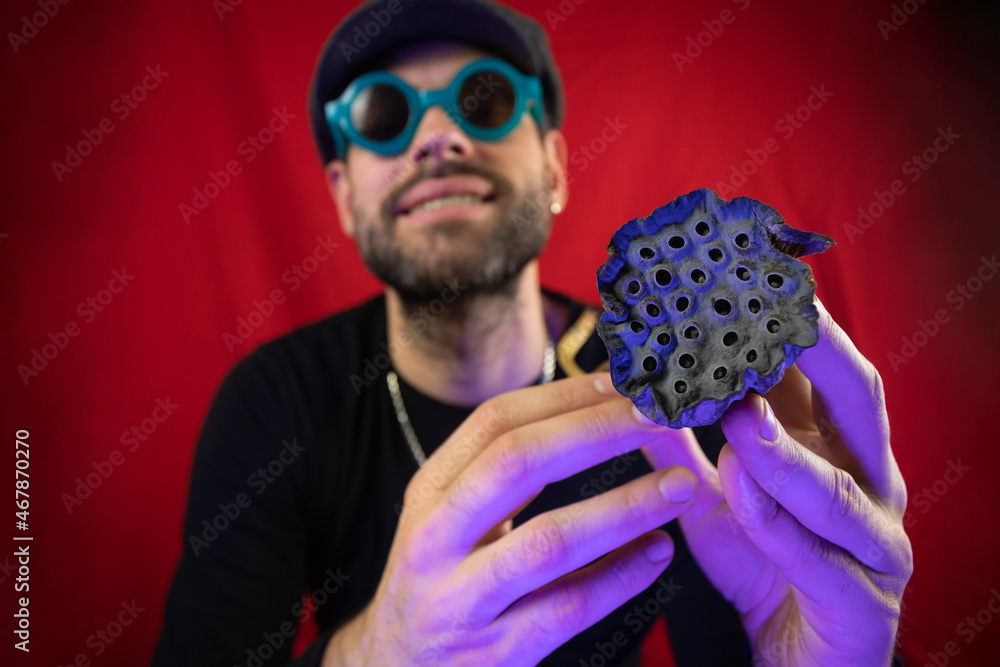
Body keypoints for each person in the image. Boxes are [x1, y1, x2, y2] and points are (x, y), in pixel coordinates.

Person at [153, 1, 913, 665]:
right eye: (384, 114)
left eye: (483, 100)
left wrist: (817, 652)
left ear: (553, 168)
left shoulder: (679, 379)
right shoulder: (274, 402)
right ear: (344, 198)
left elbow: (752, 627)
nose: (438, 136)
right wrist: (372, 653)